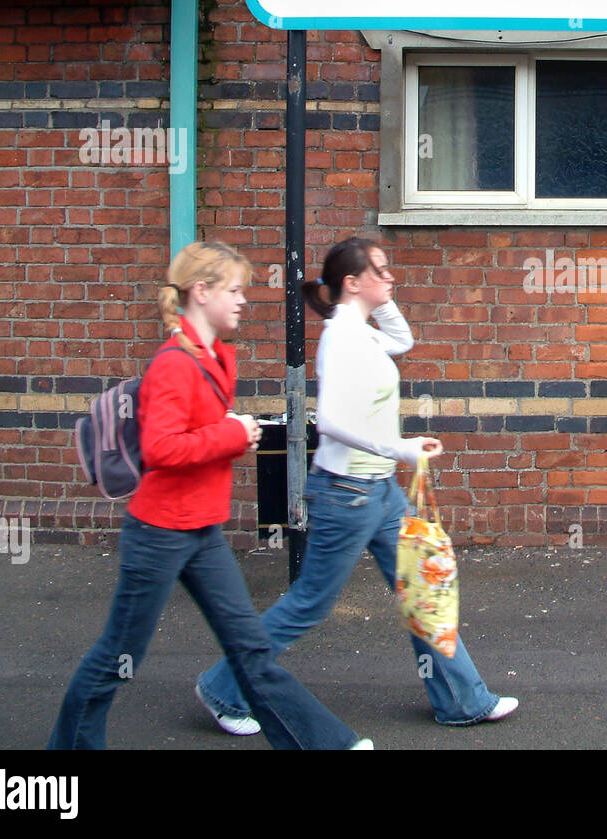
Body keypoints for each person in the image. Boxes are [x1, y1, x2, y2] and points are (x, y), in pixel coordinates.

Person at [48, 240, 370, 750]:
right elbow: (161, 449)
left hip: (201, 530)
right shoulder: (174, 364)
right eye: (234, 290)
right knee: (118, 658)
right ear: (201, 291)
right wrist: (233, 434)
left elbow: (192, 435)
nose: (243, 300)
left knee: (251, 652)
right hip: (158, 534)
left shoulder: (214, 355)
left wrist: (226, 431)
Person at [195, 236, 517, 732]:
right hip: (346, 494)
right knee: (308, 605)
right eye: (381, 271)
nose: (391, 278)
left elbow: (403, 339)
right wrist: (402, 448)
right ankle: (224, 687)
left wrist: (379, 300)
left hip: (379, 492)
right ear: (352, 282)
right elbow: (332, 423)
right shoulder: (342, 338)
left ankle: (462, 699)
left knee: (419, 588)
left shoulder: (359, 330)